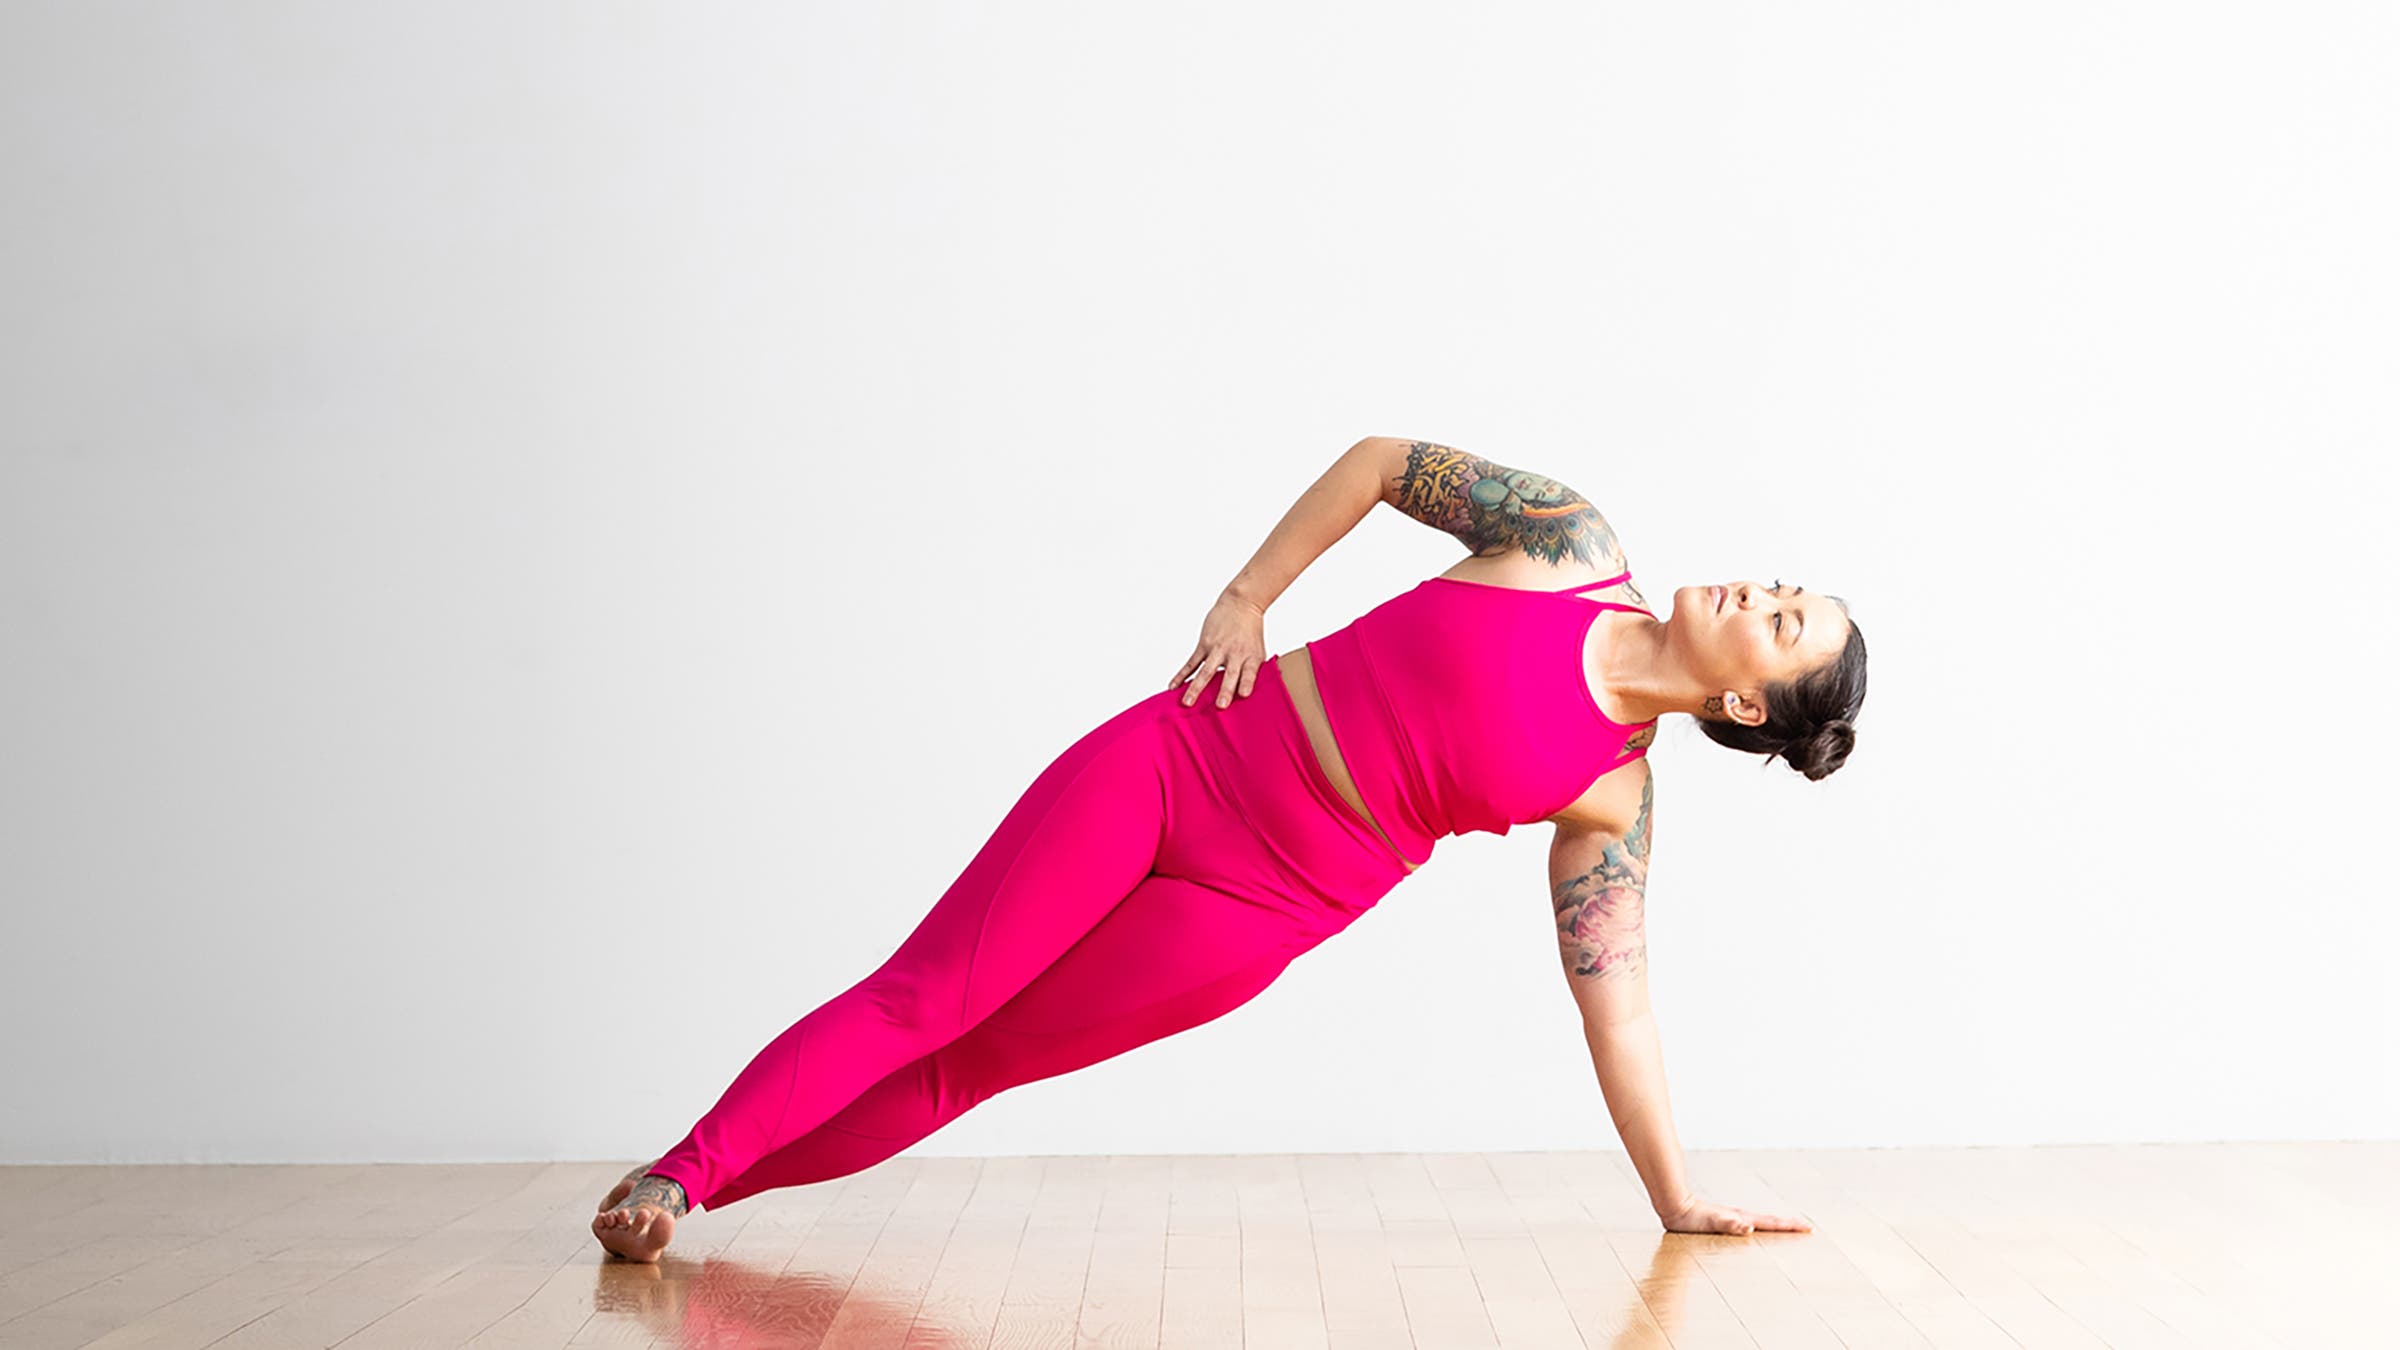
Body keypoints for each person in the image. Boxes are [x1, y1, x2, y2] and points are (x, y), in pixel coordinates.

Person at [593, 436, 1868, 1261]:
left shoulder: (1613, 799)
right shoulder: (1567, 544)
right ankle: (679, 1170)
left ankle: (685, 1206)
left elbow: (1620, 1015)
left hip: (1260, 909)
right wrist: (1249, 599)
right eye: (1775, 584)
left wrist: (1676, 1197)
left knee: (964, 1073)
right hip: (1185, 756)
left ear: (1746, 706)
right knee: (930, 998)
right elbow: (1380, 461)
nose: (1754, 594)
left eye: (1780, 622)